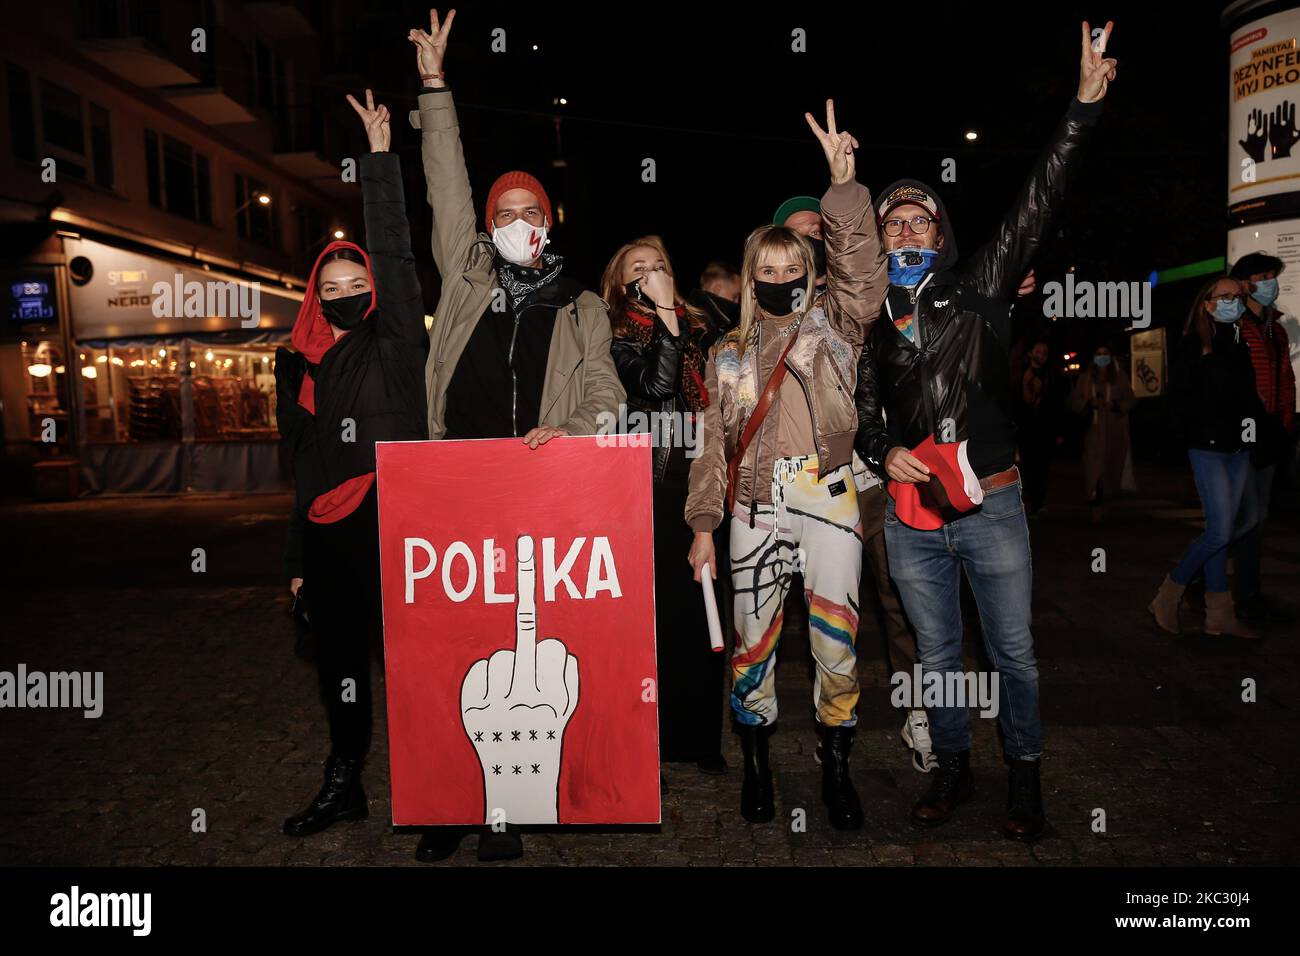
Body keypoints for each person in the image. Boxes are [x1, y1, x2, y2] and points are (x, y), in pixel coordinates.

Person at [854, 20, 1118, 842]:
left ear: (942, 235)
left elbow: (1038, 197)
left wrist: (1080, 107)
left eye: (919, 220)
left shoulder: (981, 291)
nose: (905, 230)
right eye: (893, 221)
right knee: (936, 659)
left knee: (1014, 656)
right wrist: (880, 449)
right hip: (912, 516)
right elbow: (864, 418)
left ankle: (1026, 782)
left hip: (993, 504)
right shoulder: (874, 326)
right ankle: (954, 772)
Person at [406, 9, 625, 863]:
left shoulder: (581, 306)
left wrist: (563, 429)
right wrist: (435, 90)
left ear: (549, 224)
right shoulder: (463, 278)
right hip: (451, 491)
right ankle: (443, 799)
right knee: (440, 650)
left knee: (511, 648)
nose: (518, 219)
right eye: (508, 209)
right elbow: (445, 185)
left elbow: (608, 399)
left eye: (532, 210)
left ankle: (502, 805)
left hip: (535, 497)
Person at [686, 100, 887, 830]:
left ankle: (837, 767)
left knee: (837, 642)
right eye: (765, 268)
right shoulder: (728, 353)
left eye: (791, 267)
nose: (778, 277)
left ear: (810, 271)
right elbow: (711, 447)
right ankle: (759, 765)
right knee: (754, 644)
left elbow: (864, 277)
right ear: (748, 276)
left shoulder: (837, 327)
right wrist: (703, 524)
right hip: (750, 509)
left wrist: (843, 189)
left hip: (828, 496)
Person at [276, 90, 428, 839]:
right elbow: (302, 468)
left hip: (396, 519)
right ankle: (346, 783)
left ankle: (438, 792)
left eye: (355, 286)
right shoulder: (298, 365)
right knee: (340, 667)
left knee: (412, 666)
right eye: (329, 289)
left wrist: (378, 160)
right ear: (312, 296)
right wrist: (299, 558)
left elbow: (395, 251)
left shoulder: (394, 340)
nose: (344, 296)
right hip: (329, 532)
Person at [778, 195, 934, 773]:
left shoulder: (867, 298)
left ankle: (919, 715)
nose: (809, 243)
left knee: (901, 601)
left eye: (818, 232)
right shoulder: (780, 312)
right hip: (814, 487)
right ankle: (833, 728)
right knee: (824, 616)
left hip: (880, 478)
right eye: (794, 237)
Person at [603, 236, 727, 774]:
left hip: (697, 485)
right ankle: (642, 739)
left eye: (660, 266)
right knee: (646, 620)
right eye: (638, 270)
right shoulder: (615, 335)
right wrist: (668, 323)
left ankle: (698, 739)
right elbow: (655, 385)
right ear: (619, 284)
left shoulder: (707, 326)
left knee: (698, 617)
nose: (651, 275)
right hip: (640, 489)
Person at [1148, 276, 1266, 640]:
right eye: (1225, 296)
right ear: (1208, 304)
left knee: (1226, 529)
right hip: (1207, 447)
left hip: (1237, 448)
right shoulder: (1194, 345)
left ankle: (1219, 616)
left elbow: (1246, 397)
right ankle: (1169, 593)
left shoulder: (1239, 342)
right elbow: (1180, 399)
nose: (1234, 301)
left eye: (1239, 296)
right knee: (1219, 531)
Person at [1226, 253, 1296, 623]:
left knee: (1257, 517)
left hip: (1269, 434)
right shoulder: (1233, 324)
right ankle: (1196, 578)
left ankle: (1248, 592)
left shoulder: (1277, 329)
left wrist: (1284, 424)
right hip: (1239, 436)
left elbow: (1287, 380)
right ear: (1244, 283)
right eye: (1263, 276)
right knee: (1246, 515)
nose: (1270, 282)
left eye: (1272, 276)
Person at [1070, 344, 1135, 525]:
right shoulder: (1085, 378)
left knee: (1110, 468)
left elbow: (1130, 399)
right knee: (1093, 470)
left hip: (1113, 431)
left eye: (1105, 354)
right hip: (1092, 432)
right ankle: (1095, 505)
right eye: (1098, 354)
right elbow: (1075, 402)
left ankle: (1105, 501)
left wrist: (1114, 405)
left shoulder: (1119, 377)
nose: (1102, 357)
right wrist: (1089, 403)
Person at [1016, 339, 1065, 517]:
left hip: (1045, 429)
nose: (1041, 356)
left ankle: (1040, 502)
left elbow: (1058, 403)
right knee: (1028, 467)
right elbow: (1015, 401)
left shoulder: (1052, 374)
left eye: (1044, 352)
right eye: (1038, 351)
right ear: (1031, 352)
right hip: (1026, 429)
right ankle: (1032, 501)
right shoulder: (1020, 372)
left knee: (1042, 468)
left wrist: (1059, 430)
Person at [688, 261, 742, 350]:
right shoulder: (696, 323)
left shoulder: (692, 314)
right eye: (735, 296)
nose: (737, 302)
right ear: (717, 290)